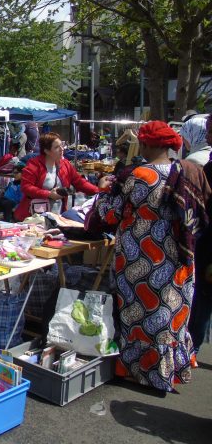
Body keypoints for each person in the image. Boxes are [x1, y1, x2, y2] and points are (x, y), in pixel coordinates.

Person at [86, 121, 210, 391]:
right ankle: (170, 370)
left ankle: (145, 373)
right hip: (178, 256)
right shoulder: (187, 171)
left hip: (142, 257)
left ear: (148, 144)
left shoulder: (141, 175)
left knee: (139, 315)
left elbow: (109, 215)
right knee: (170, 314)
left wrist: (104, 188)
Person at [14, 132, 104, 220]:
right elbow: (26, 187)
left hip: (58, 215)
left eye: (62, 145)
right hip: (34, 216)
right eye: (57, 147)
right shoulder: (34, 165)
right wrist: (49, 194)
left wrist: (99, 191)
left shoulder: (66, 164)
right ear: (47, 151)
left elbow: (79, 182)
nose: (62, 149)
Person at [188, 114, 212, 356]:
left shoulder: (200, 163)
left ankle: (191, 348)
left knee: (203, 295)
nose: (207, 136)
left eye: (211, 131)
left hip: (208, 241)